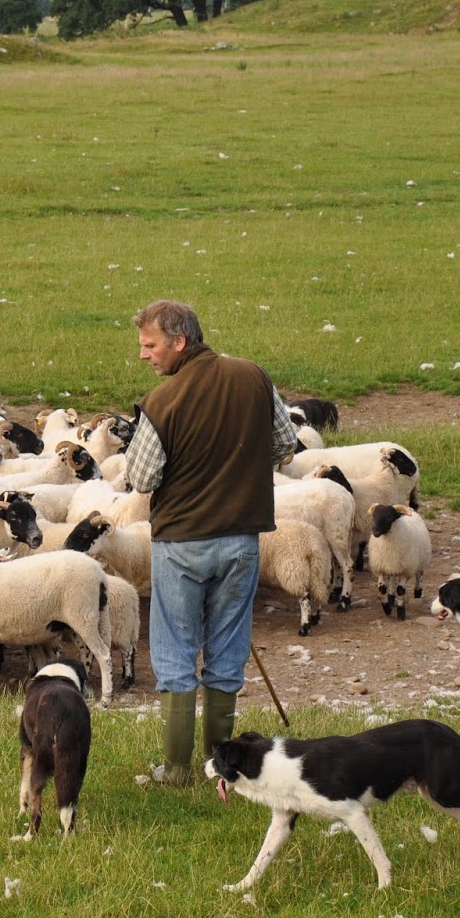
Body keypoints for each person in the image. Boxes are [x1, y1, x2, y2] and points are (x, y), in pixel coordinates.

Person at [126, 300, 297, 785]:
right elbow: (285, 445)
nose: (144, 355)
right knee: (226, 650)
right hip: (241, 541)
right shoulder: (254, 377)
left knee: (175, 651)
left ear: (179, 343)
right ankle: (219, 766)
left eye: (150, 345)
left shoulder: (161, 402)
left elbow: (141, 478)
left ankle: (177, 770)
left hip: (182, 544)